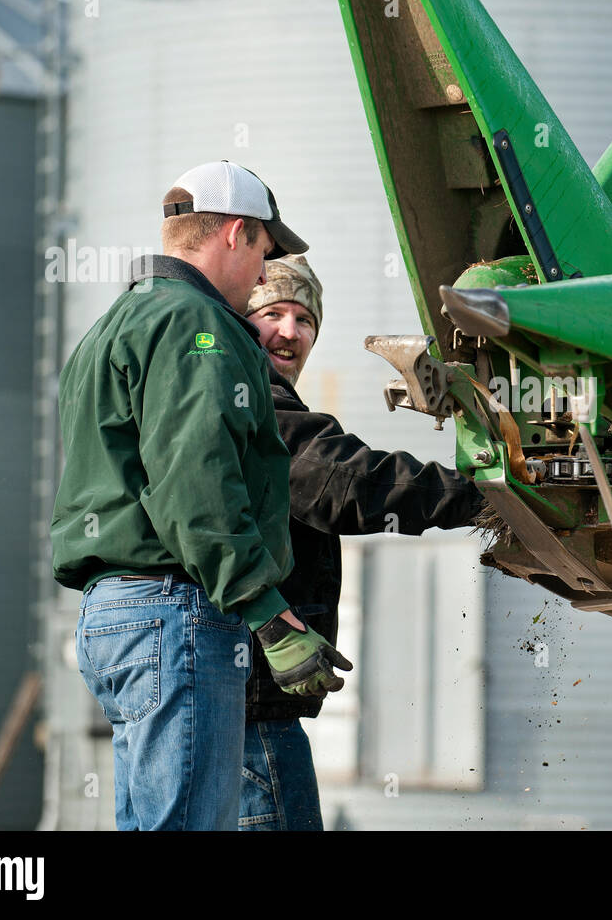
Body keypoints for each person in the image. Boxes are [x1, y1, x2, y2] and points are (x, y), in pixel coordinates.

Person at [51, 161, 344, 830]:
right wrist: (267, 611)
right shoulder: (197, 324)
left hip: (113, 614)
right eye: (265, 252)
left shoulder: (114, 325)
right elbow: (197, 482)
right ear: (238, 233)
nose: (259, 273)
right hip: (175, 613)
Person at [239, 254, 483, 831]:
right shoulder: (250, 399)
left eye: (305, 319)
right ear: (238, 318)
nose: (290, 331)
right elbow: (340, 483)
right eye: (272, 312)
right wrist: (481, 499)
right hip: (250, 713)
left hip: (238, 706)